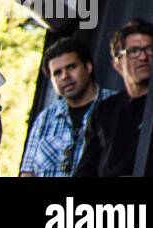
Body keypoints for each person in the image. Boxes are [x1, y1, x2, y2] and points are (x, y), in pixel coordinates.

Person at [20, 36, 116, 177]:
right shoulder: (45, 118)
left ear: (88, 67)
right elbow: (27, 173)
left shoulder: (115, 105)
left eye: (71, 67)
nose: (65, 76)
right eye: (57, 73)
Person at [76, 18, 153, 177]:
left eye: (149, 49)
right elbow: (85, 170)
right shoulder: (104, 111)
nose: (143, 57)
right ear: (117, 63)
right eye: (134, 51)